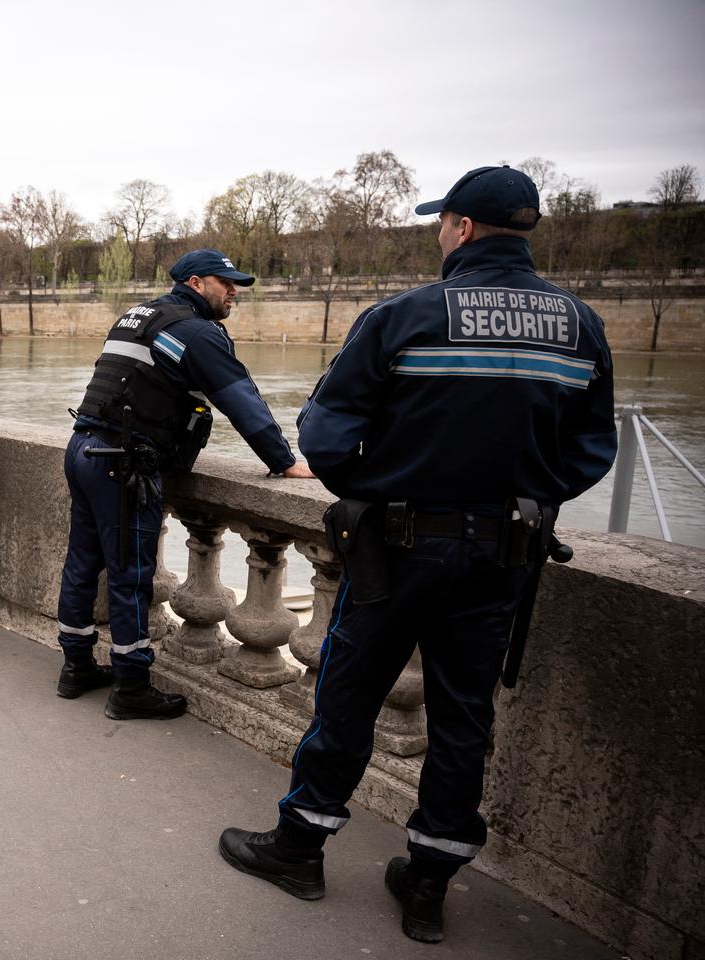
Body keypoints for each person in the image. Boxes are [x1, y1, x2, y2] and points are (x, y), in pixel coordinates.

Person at [216, 166, 617, 944]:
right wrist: (528, 497)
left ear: (461, 228)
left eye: (442, 223)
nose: (440, 234)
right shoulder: (580, 325)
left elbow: (327, 434)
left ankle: (299, 848)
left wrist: (379, 491)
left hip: (398, 550)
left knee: (348, 697)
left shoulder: (406, 315)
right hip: (503, 552)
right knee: (463, 716)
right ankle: (429, 883)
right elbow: (591, 448)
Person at [55, 250, 314, 720]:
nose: (234, 292)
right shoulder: (196, 332)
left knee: (82, 564)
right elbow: (240, 399)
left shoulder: (139, 315)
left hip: (84, 448)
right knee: (132, 576)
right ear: (195, 283)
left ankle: (75, 667)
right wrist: (284, 461)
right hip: (123, 463)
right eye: (225, 283)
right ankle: (131, 686)